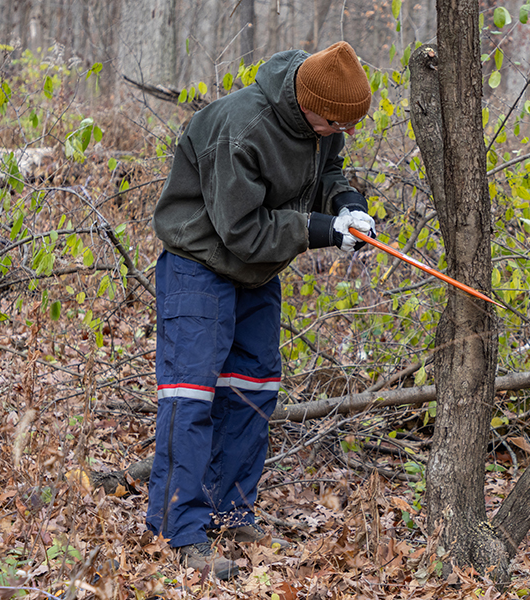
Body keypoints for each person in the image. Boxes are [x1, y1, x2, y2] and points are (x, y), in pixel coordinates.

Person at [146, 41, 375, 580]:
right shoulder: (242, 129)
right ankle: (179, 531)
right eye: (335, 124)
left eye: (346, 126)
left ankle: (230, 514)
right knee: (190, 396)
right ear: (310, 104)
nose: (340, 132)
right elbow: (242, 229)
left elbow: (329, 171)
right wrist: (323, 230)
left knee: (253, 390)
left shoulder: (324, 126)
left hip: (257, 274)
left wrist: (348, 206)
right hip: (199, 264)